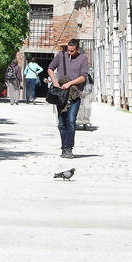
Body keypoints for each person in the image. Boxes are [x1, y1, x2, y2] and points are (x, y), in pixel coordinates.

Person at [49, 38, 91, 175]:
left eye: (72, 51)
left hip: (75, 95)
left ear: (77, 49)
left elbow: (84, 77)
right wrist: (55, 81)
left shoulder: (83, 59)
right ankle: (63, 147)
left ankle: (69, 148)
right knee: (61, 123)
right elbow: (50, 68)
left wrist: (70, 83)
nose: (69, 53)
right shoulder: (61, 56)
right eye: (68, 50)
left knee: (71, 121)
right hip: (61, 95)